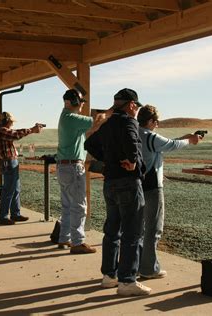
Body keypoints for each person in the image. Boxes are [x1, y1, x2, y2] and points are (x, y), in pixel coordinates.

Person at [85, 88, 151, 296]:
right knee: (132, 232)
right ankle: (127, 281)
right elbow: (132, 142)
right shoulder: (129, 122)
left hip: (110, 182)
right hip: (128, 183)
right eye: (137, 107)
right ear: (132, 105)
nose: (137, 111)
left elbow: (89, 143)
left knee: (112, 230)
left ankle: (109, 276)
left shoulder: (108, 123)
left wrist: (108, 159)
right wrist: (132, 162)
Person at [137, 105, 202, 279]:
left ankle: (137, 265)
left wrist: (185, 138)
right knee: (153, 228)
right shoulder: (149, 136)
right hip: (152, 187)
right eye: (156, 122)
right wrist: (190, 140)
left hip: (138, 186)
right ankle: (149, 268)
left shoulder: (134, 133)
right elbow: (171, 145)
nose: (157, 125)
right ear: (150, 121)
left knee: (140, 229)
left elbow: (165, 145)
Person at [56, 89, 98, 254]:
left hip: (65, 166)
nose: (81, 105)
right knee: (79, 206)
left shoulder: (67, 118)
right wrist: (106, 115)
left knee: (67, 205)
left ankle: (64, 238)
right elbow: (94, 122)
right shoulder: (71, 118)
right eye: (80, 102)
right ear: (72, 102)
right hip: (73, 167)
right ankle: (77, 242)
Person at [0, 112, 43, 225]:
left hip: (9, 162)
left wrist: (31, 130)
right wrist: (32, 130)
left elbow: (14, 133)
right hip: (9, 162)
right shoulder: (1, 131)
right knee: (9, 190)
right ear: (8, 121)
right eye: (11, 122)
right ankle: (3, 216)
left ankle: (15, 214)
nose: (12, 124)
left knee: (15, 189)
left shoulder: (0, 130)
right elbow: (15, 134)